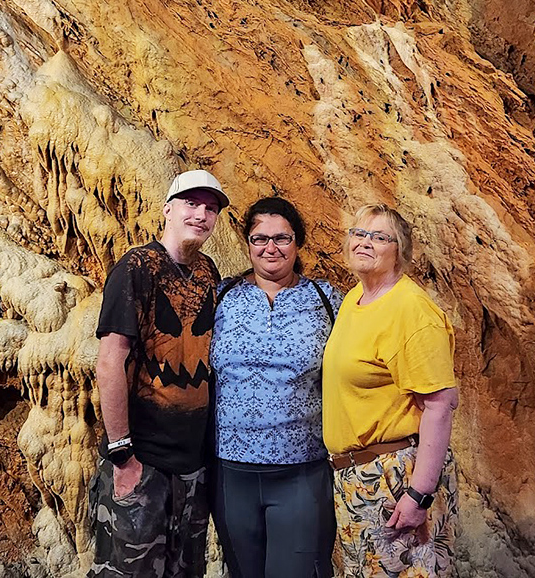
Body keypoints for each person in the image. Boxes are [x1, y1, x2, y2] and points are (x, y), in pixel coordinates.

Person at [87, 169, 229, 578]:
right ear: (168, 209)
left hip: (193, 466)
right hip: (143, 462)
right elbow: (110, 360)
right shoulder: (137, 267)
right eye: (191, 203)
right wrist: (122, 455)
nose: (201, 214)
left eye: (210, 208)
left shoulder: (208, 273)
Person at [322, 204, 458, 578]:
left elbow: (441, 405)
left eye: (380, 237)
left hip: (397, 476)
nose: (365, 242)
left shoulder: (412, 310)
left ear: (400, 250)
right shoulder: (355, 299)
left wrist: (419, 495)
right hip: (357, 478)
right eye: (359, 233)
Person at [209, 197, 342, 578]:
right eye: (259, 238)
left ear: (298, 242)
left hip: (301, 471)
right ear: (247, 244)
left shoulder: (326, 299)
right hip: (231, 472)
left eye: (282, 238)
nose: (270, 248)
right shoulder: (222, 297)